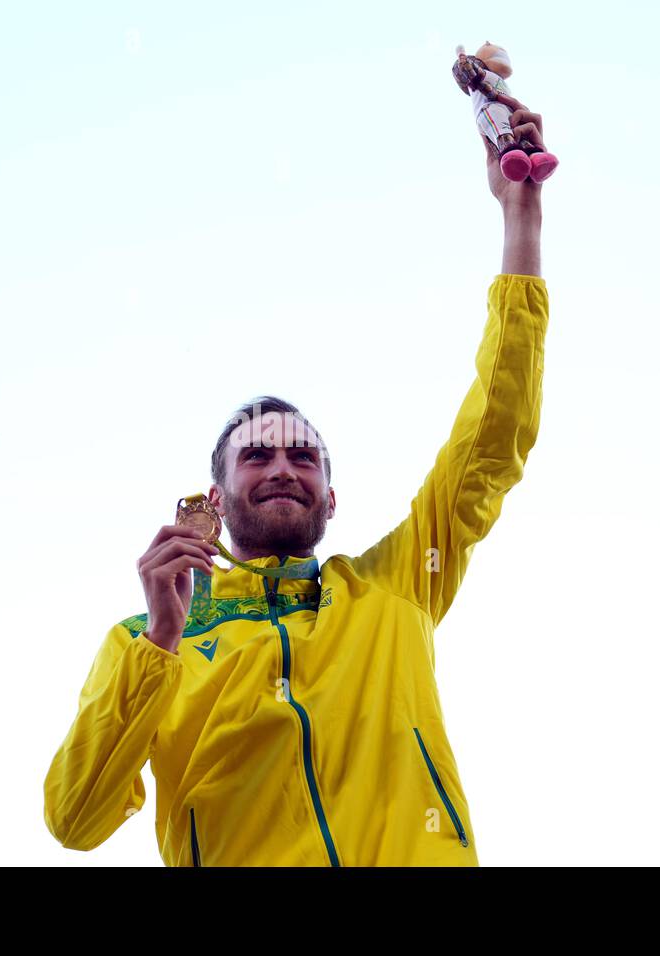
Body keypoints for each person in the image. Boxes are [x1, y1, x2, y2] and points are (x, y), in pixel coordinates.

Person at [43, 93, 550, 866]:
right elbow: (76, 819)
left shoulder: (398, 586)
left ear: (331, 497)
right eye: (257, 455)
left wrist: (522, 220)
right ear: (213, 500)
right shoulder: (146, 645)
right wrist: (161, 642)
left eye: (303, 456)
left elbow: (494, 434)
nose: (283, 467)